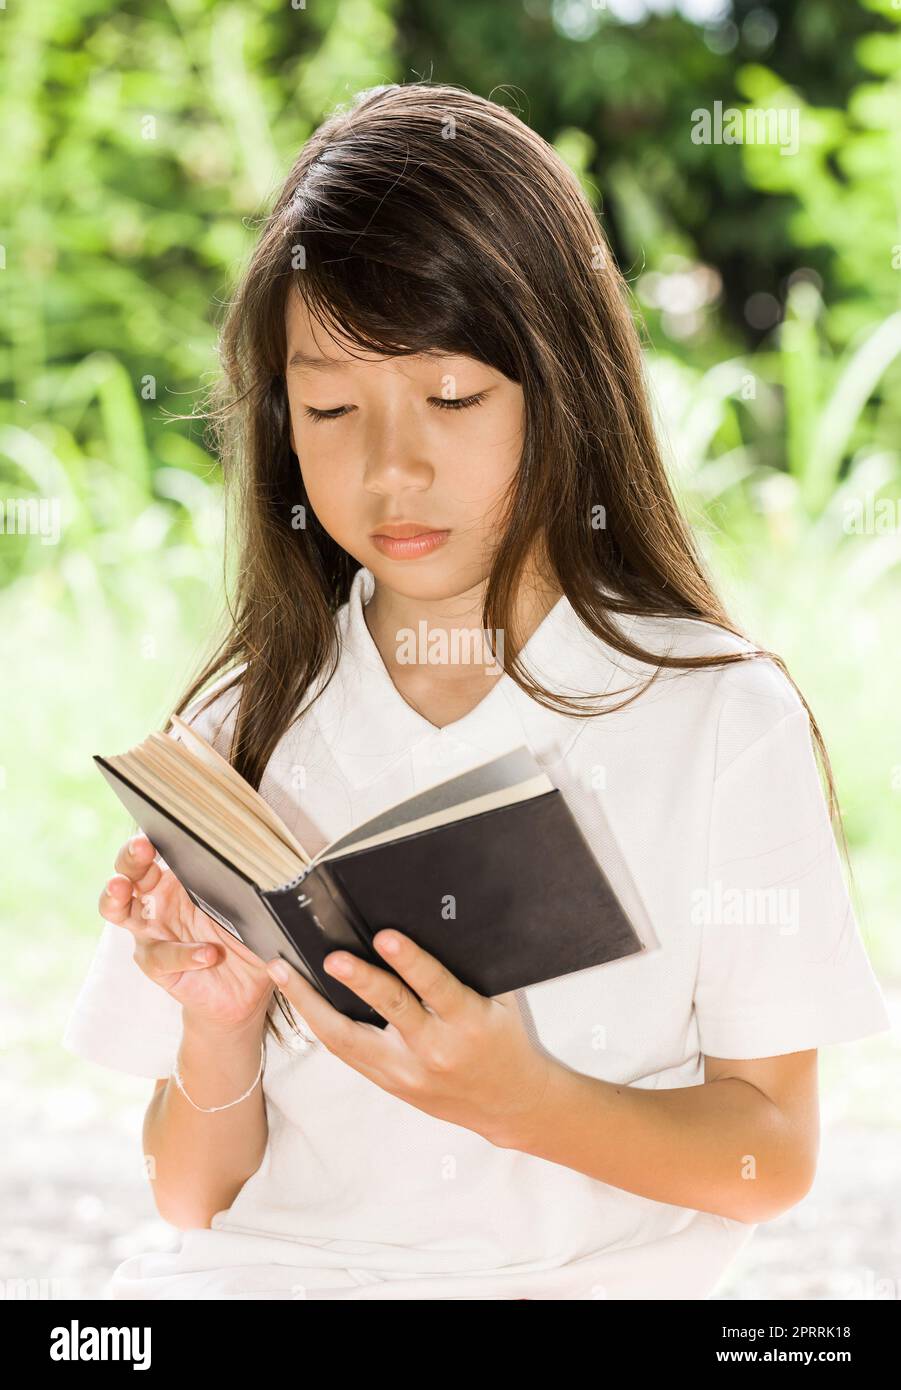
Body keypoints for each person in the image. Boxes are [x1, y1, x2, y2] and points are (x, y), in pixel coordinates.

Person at [62, 82, 890, 1301]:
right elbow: (189, 1195)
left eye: (451, 398)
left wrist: (522, 1100)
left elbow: (769, 1157)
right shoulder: (241, 722)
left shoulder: (717, 716)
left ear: (562, 387)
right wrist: (220, 1019)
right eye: (331, 407)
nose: (392, 466)